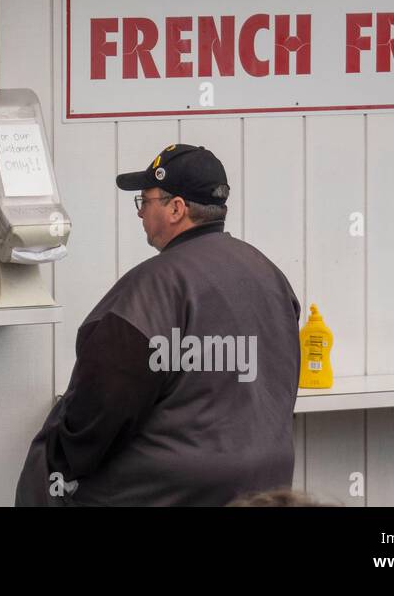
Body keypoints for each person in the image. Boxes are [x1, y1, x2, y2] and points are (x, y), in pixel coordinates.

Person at [16, 144, 301, 507]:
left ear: (176, 209)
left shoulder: (155, 285)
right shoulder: (271, 276)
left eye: (145, 200)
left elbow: (101, 405)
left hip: (175, 490)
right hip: (269, 484)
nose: (140, 212)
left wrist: (59, 458)